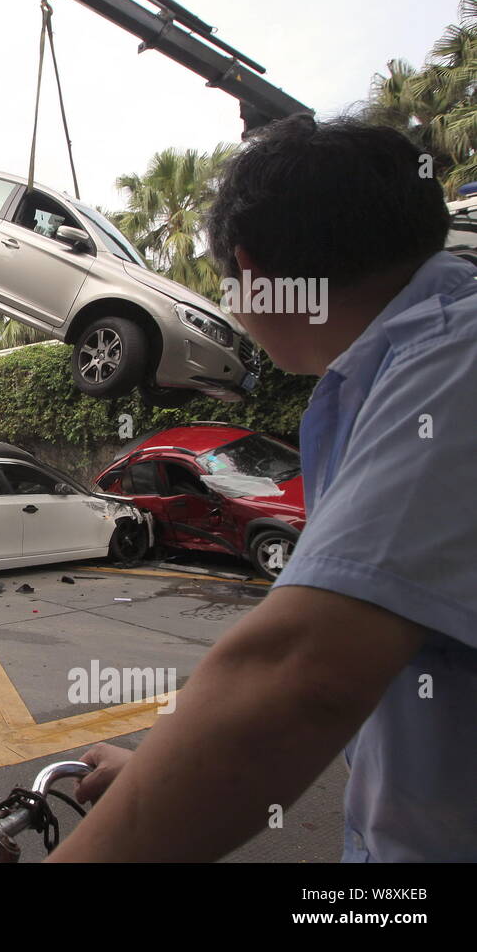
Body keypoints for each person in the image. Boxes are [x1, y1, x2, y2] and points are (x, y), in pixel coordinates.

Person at [48, 116, 476, 863]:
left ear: (251, 268)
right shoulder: (401, 368)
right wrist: (159, 775)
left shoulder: (452, 369)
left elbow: (300, 674)